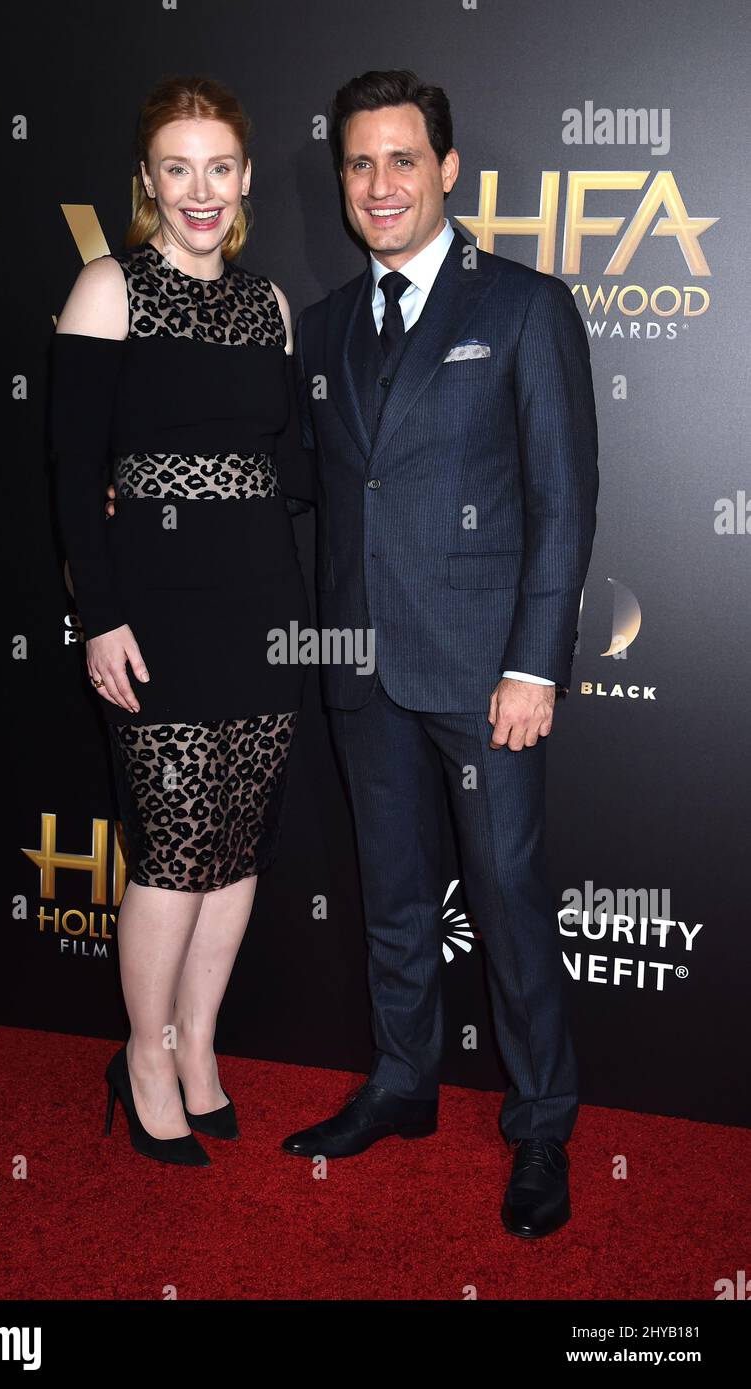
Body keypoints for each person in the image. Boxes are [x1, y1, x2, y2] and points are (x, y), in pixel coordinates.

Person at [281, 69, 599, 1239]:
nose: (380, 184)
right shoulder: (322, 325)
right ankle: (404, 1083)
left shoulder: (521, 306)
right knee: (395, 897)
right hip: (361, 666)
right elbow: (310, 482)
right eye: (360, 162)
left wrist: (534, 663)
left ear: (449, 170)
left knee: (511, 900)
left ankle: (543, 1125)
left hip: (484, 672)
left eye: (402, 159)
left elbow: (563, 502)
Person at [47, 74, 313, 1166]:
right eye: (176, 168)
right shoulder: (109, 287)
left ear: (244, 177)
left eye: (218, 167)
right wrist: (99, 616)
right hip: (152, 607)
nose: (199, 190)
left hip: (261, 595)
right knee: (170, 844)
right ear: (148, 182)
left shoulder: (271, 306)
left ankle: (199, 1047)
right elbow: (70, 476)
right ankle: (143, 1054)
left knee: (235, 842)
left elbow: (290, 465)